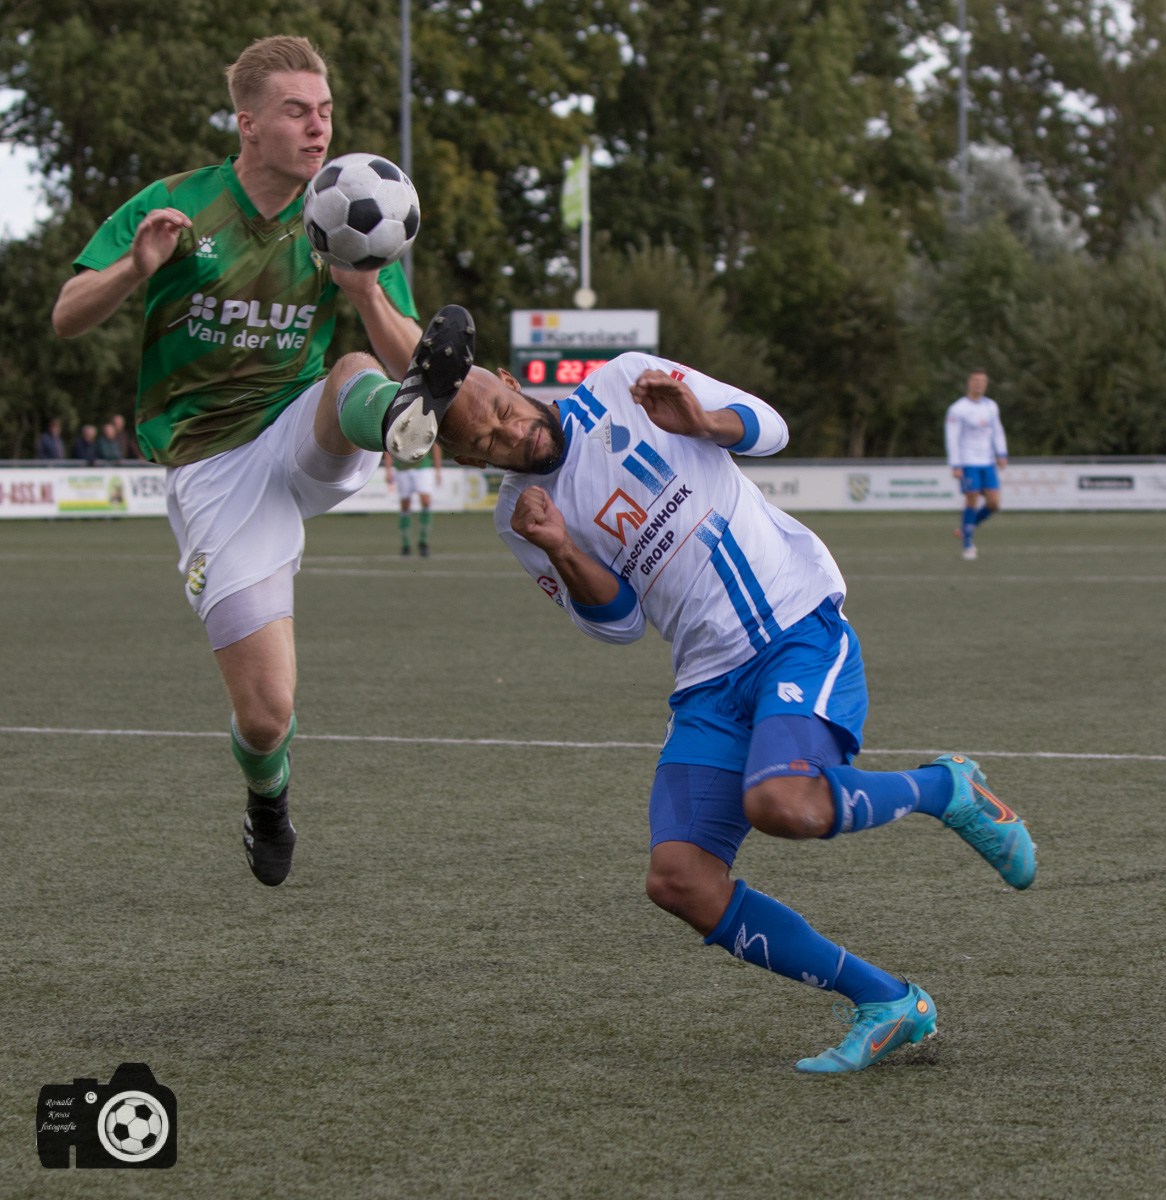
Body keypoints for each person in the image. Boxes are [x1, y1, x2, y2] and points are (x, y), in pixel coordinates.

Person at [437, 348, 1036, 1074]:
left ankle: (948, 789)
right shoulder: (518, 517)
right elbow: (617, 622)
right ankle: (889, 1003)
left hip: (793, 628)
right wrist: (560, 547)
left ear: (508, 381)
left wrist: (705, 420)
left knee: (782, 800)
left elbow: (771, 427)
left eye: (503, 412)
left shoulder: (626, 380)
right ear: (469, 461)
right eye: (487, 444)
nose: (509, 437)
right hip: (707, 679)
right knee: (679, 878)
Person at [51, 35, 474, 887]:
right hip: (211, 467)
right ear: (247, 123)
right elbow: (66, 315)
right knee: (266, 712)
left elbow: (405, 349)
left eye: (324, 112)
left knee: (361, 373)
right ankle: (267, 800)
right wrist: (136, 269)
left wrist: (363, 294)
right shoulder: (176, 205)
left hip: (302, 423)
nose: (318, 129)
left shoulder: (344, 211)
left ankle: (389, 421)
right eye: (295, 112)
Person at [945, 370, 1007, 561]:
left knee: (994, 503)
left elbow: (997, 431)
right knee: (971, 499)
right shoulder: (958, 408)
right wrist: (955, 464)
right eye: (976, 381)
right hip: (968, 460)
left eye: (983, 381)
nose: (979, 384)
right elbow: (952, 437)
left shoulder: (991, 406)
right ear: (969, 383)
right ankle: (968, 545)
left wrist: (1002, 453)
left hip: (987, 461)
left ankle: (965, 528)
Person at [384, 442, 442, 555]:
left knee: (426, 502)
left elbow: (435, 444)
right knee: (405, 506)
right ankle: (406, 544)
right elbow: (389, 445)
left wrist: (438, 470)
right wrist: (388, 469)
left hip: (422, 468)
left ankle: (423, 541)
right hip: (402, 469)